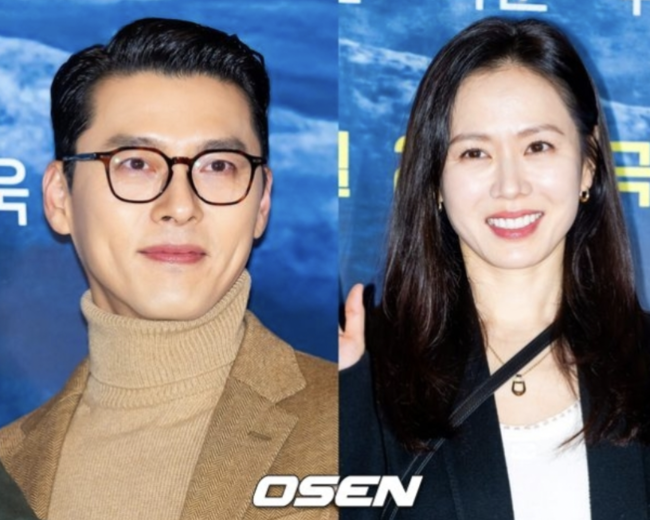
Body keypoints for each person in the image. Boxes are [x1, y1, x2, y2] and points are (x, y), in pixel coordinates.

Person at [0, 18, 337, 520]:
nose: (180, 206)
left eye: (218, 166)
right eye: (135, 163)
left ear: (262, 202)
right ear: (59, 198)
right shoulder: (8, 465)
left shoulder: (364, 432)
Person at [340, 16, 650, 520]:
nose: (510, 186)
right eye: (475, 152)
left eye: (537, 146)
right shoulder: (368, 371)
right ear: (435, 180)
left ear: (588, 163)